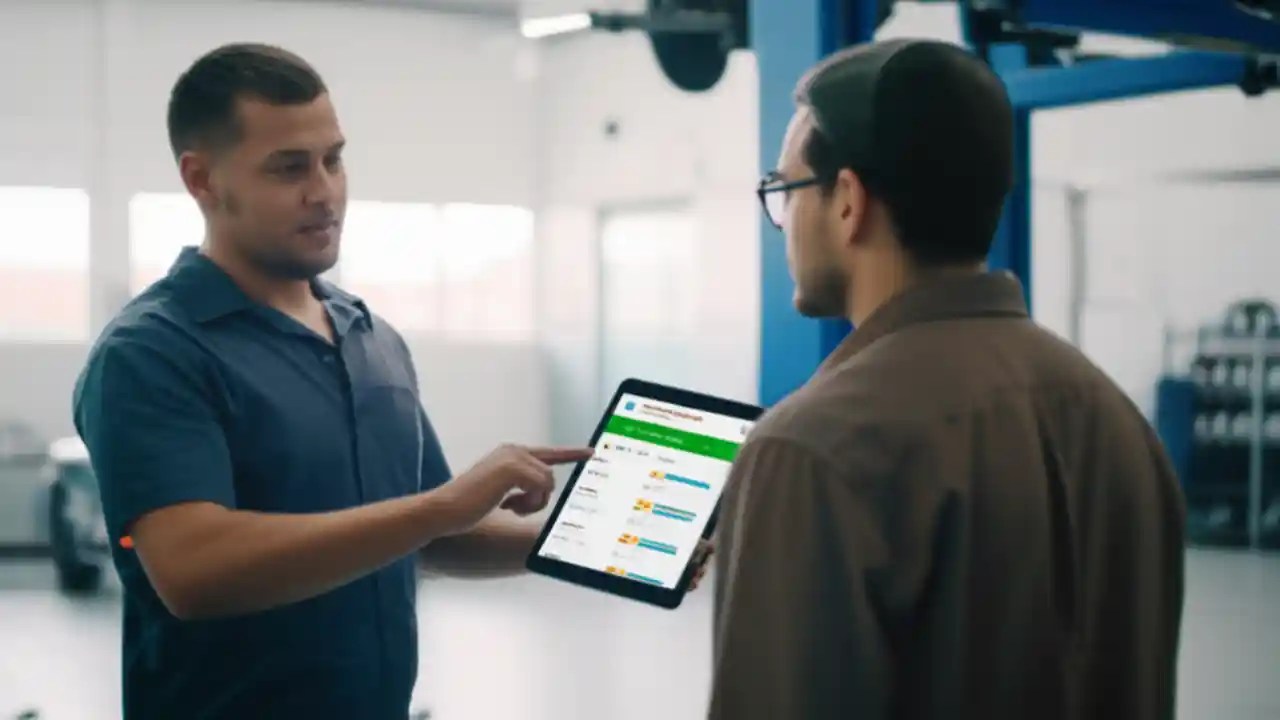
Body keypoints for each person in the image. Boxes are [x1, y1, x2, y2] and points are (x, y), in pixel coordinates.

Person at [73, 43, 707, 720]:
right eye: (289, 168)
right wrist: (441, 506)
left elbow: (430, 536)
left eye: (334, 158)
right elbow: (193, 572)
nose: (324, 191)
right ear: (201, 180)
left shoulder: (370, 337)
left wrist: (596, 549)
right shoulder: (153, 352)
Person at [709, 38, 1185, 719]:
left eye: (784, 193)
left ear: (847, 200)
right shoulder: (1117, 420)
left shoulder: (810, 449)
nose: (781, 226)